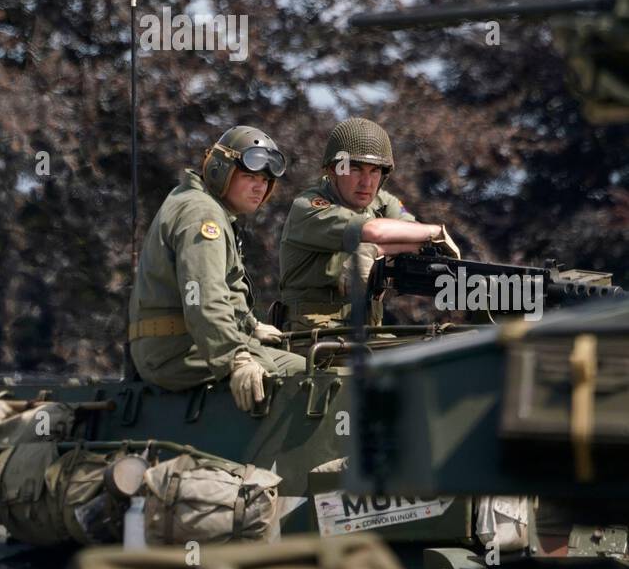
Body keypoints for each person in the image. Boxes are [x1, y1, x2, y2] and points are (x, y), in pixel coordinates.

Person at [128, 125, 307, 409]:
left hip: (176, 346)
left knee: (296, 361)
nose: (259, 187)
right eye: (249, 176)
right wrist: (236, 358)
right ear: (220, 171)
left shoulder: (198, 203)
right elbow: (203, 297)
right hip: (176, 353)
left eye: (264, 180)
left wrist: (250, 326)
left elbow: (220, 292)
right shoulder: (203, 215)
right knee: (297, 375)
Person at [279, 117, 461, 332]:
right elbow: (374, 231)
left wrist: (375, 251)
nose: (366, 182)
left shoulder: (382, 204)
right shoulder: (310, 206)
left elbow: (422, 244)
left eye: (374, 171)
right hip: (313, 336)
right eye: (355, 169)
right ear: (332, 170)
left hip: (368, 331)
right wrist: (435, 231)